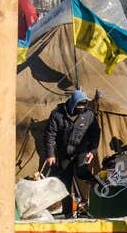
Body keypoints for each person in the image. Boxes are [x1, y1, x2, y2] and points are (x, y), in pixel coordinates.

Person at [42, 88, 99, 216]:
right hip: (64, 152)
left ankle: (94, 197)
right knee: (65, 182)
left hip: (81, 150)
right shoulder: (57, 114)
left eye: (84, 104)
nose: (82, 107)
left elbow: (95, 133)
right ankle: (68, 212)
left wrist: (92, 151)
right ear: (73, 103)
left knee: (82, 172)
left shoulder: (88, 115)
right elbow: (49, 134)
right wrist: (50, 154)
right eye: (80, 104)